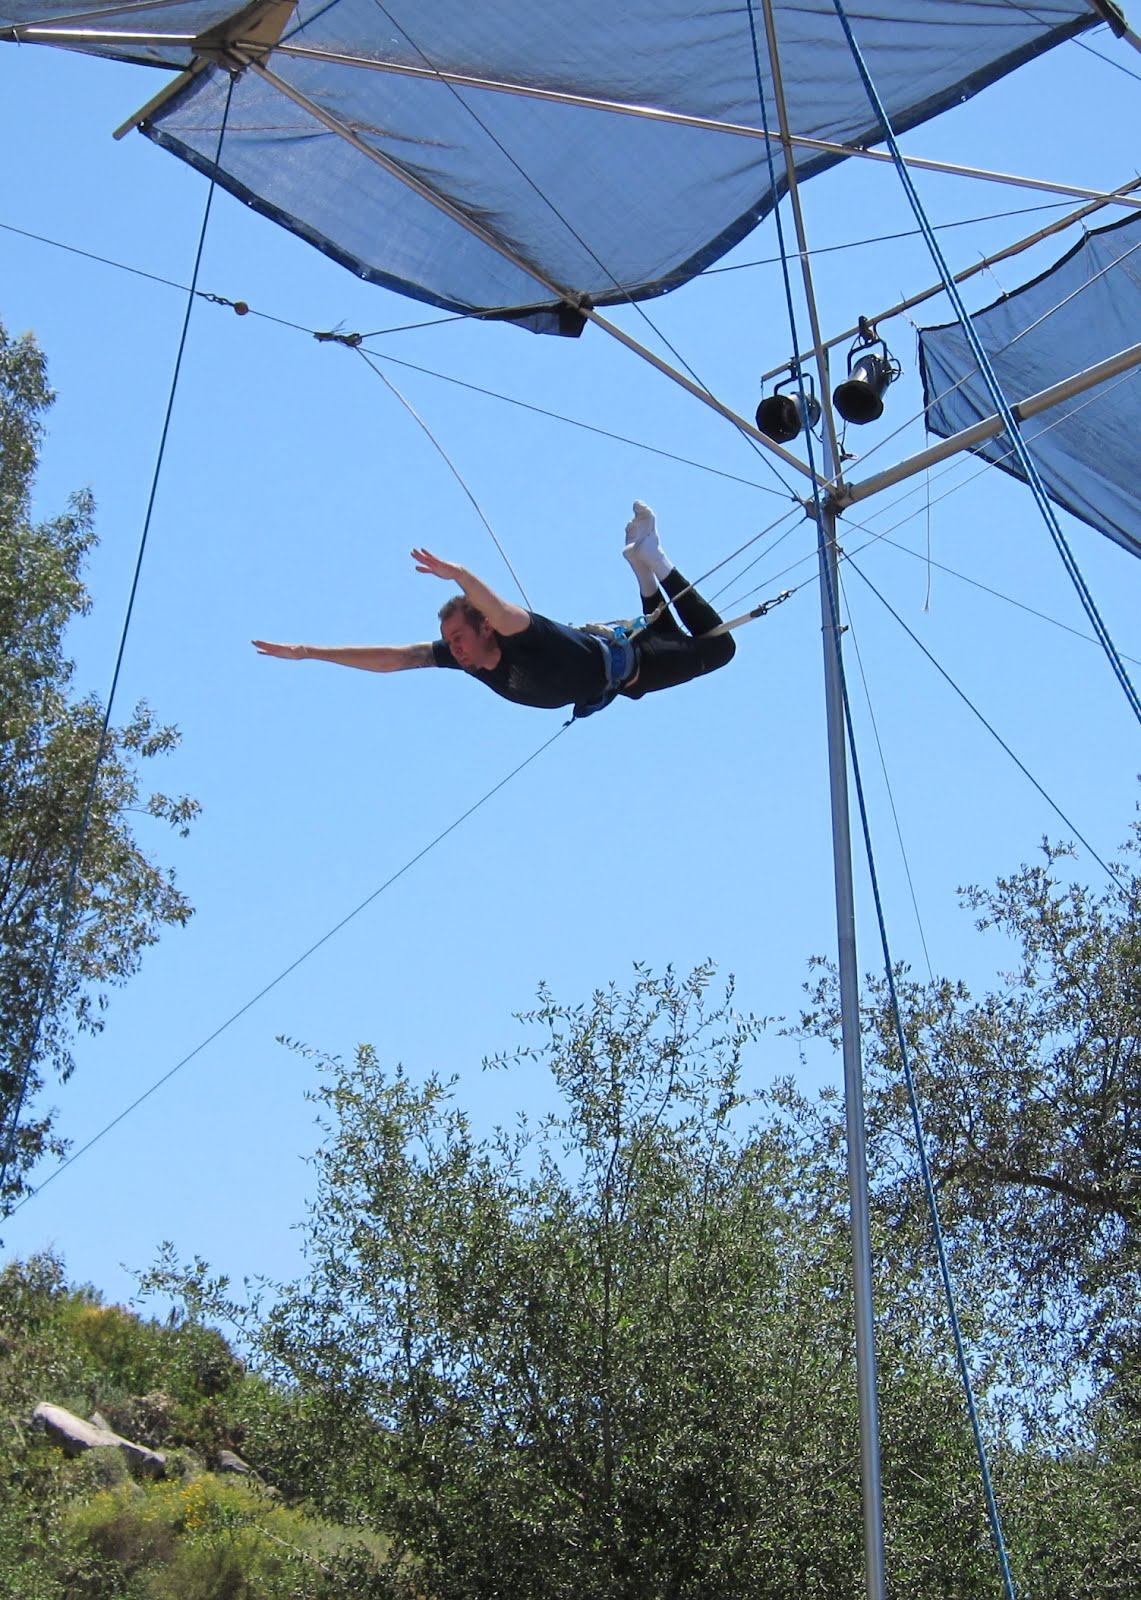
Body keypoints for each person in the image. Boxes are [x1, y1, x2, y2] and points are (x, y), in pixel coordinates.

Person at [252, 502, 735, 717]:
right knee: (666, 627)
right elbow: (395, 658)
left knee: (721, 649)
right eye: (452, 641)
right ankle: (642, 560)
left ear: (486, 629)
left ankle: (653, 559)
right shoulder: (466, 658)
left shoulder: (516, 632)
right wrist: (308, 652)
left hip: (634, 667)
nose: (455, 650)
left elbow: (495, 605)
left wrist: (459, 575)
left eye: (461, 636)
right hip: (621, 665)